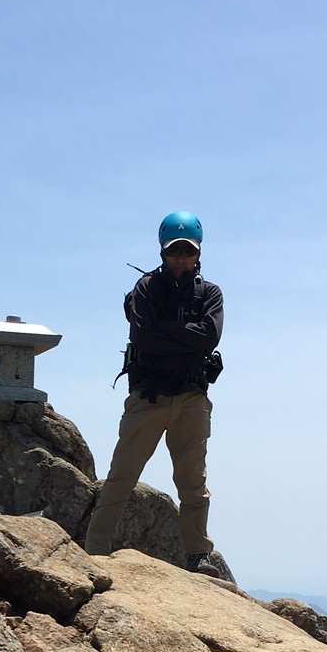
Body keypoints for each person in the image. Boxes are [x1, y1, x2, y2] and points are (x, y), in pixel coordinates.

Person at [85, 211, 224, 575]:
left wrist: (164, 333)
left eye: (187, 252)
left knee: (193, 482)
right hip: (148, 399)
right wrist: (185, 337)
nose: (181, 258)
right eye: (174, 251)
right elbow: (142, 338)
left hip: (192, 398)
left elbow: (209, 337)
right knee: (121, 476)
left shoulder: (209, 293)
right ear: (163, 252)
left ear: (198, 253)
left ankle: (198, 555)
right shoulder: (146, 288)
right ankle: (95, 553)